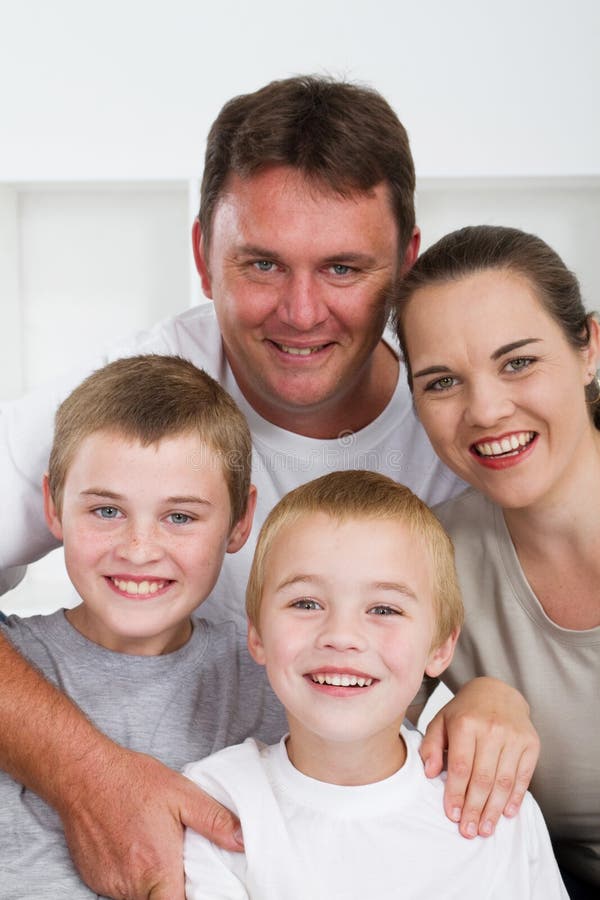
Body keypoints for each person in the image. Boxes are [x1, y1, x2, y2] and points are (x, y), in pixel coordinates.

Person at [0, 78, 538, 899]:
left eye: (344, 268)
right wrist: (85, 774)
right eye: (260, 264)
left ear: (406, 261)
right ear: (201, 255)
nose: (300, 311)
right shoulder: (134, 401)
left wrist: (491, 693)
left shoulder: (466, 427)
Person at [183, 470, 567, 899]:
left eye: (384, 609)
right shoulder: (218, 802)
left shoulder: (493, 807)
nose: (342, 636)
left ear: (440, 646)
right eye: (306, 603)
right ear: (257, 635)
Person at [0, 354, 288, 898]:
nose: (138, 549)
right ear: (53, 505)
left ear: (240, 521)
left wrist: (486, 701)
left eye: (180, 516)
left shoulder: (277, 678)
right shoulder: (12, 661)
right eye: (107, 511)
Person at [394, 224, 600, 896]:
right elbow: (347, 766)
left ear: (589, 348)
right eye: (442, 381)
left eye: (518, 362)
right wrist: (473, 702)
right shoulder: (424, 561)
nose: (485, 409)